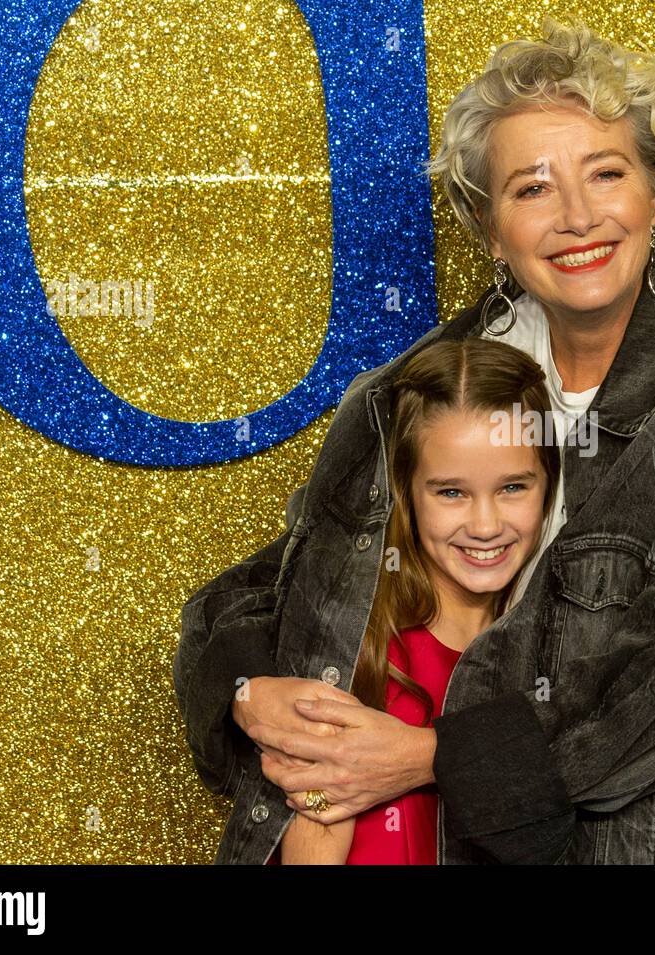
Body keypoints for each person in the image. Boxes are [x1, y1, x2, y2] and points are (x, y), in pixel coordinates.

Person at [173, 15, 655, 865]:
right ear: (491, 228)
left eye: (606, 173)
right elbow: (299, 576)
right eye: (532, 188)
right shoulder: (435, 382)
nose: (578, 216)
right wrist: (247, 689)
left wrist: (424, 756)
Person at [264, 337, 559, 863]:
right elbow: (315, 826)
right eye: (451, 492)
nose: (486, 525)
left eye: (514, 487)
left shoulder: (552, 657)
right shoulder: (361, 643)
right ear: (405, 491)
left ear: (549, 485)